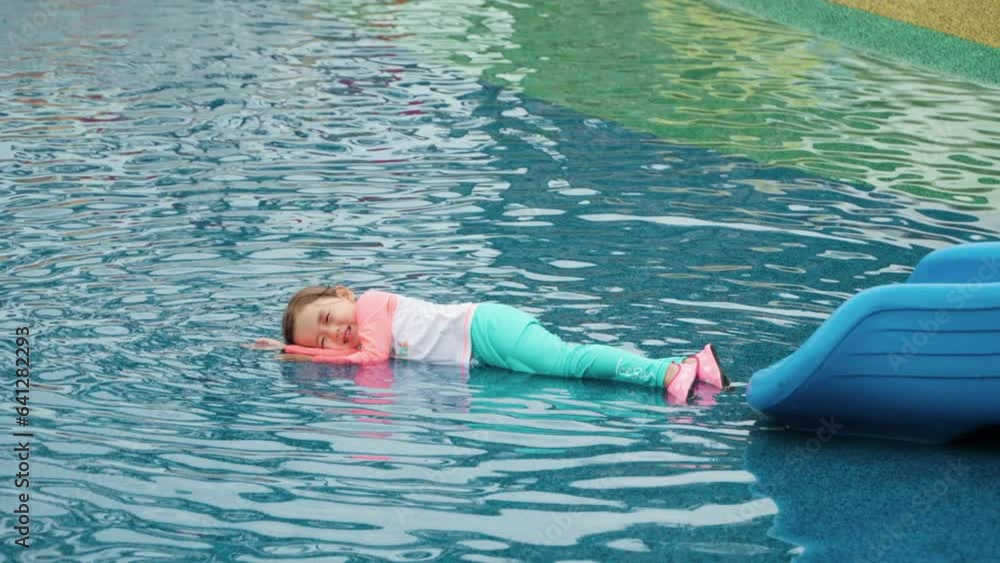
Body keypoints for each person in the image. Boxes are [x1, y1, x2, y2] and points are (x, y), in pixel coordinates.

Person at [250, 285, 731, 404]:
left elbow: (370, 358)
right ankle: (694, 365)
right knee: (565, 365)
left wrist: (297, 351)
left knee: (568, 363)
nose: (336, 335)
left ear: (344, 295)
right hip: (483, 343)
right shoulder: (363, 322)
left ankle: (666, 374)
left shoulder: (372, 303)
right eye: (324, 337)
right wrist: (296, 347)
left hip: (485, 328)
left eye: (331, 319)